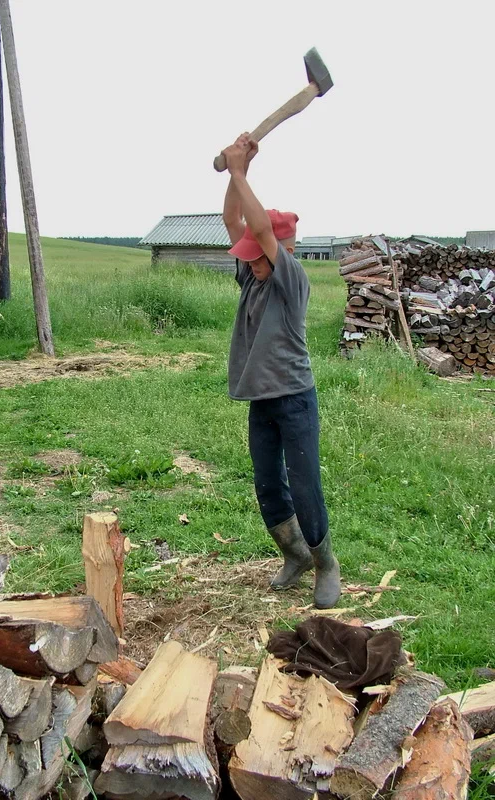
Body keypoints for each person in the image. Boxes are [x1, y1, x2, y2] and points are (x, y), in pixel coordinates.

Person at [221, 133, 340, 609]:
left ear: (282, 251)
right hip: (262, 399)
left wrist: (238, 172)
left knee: (305, 483)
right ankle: (293, 555)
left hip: (294, 397)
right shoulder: (253, 276)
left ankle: (326, 564)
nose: (252, 261)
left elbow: (263, 235)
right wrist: (239, 172)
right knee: (268, 484)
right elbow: (234, 220)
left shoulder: (291, 278)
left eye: (259, 253)